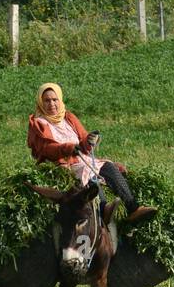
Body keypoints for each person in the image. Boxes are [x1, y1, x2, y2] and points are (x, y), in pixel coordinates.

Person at [27, 82, 155, 224]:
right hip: (62, 165)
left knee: (108, 166)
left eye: (54, 99)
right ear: (40, 102)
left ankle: (133, 208)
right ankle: (104, 208)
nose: (52, 104)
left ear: (60, 100)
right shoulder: (38, 123)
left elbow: (83, 140)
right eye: (47, 100)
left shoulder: (68, 118)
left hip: (81, 159)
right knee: (88, 171)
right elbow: (46, 149)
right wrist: (69, 148)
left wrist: (89, 141)